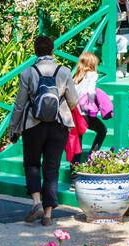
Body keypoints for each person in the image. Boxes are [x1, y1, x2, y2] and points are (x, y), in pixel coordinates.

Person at [7, 35, 77, 226]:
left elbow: (19, 105)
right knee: (52, 167)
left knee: (31, 163)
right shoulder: (64, 71)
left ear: (35, 51)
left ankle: (37, 202)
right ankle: (47, 214)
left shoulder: (28, 73)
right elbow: (73, 102)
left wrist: (13, 128)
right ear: (52, 51)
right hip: (59, 124)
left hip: (33, 124)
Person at [72, 53, 112, 164]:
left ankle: (74, 168)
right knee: (102, 130)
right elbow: (91, 90)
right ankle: (92, 157)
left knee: (78, 139)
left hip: (76, 112)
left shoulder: (76, 75)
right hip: (85, 111)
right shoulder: (92, 74)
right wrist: (91, 103)